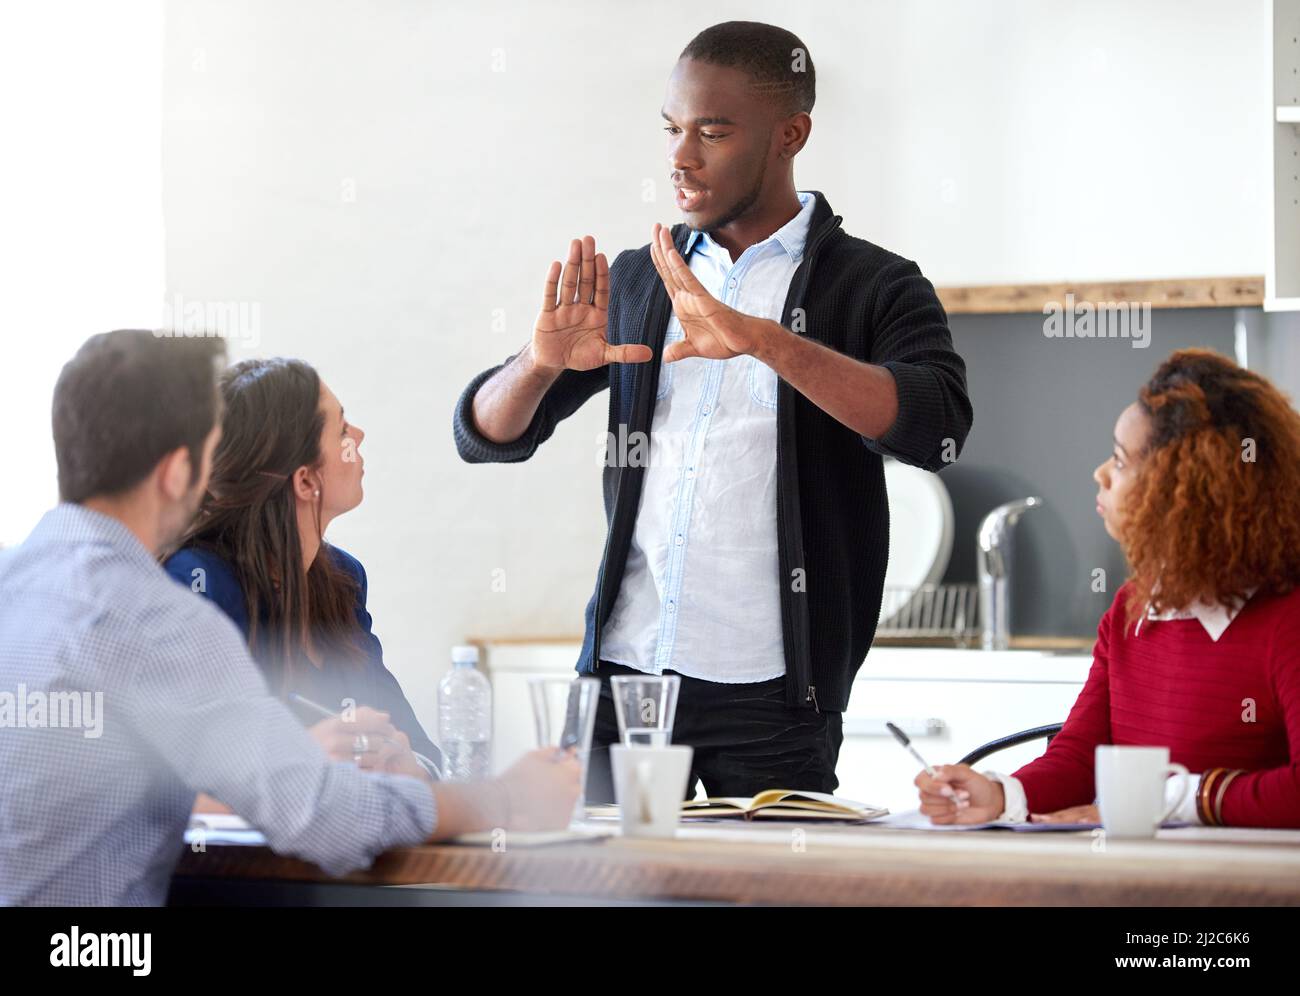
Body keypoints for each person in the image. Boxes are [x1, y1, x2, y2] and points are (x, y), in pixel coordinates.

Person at [453, 21, 972, 801]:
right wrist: (539, 363)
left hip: (772, 694)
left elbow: (938, 427)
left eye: (713, 132)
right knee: (589, 889)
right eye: (672, 130)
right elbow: (486, 435)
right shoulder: (639, 281)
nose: (680, 156)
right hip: (620, 680)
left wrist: (768, 343)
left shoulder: (875, 284)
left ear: (789, 134)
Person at [0, 330, 580, 906]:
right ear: (179, 472)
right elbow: (317, 812)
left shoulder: (17, 583)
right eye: (210, 452)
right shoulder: (157, 616)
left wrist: (402, 763)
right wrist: (506, 799)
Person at [916, 349, 1300, 828]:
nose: (1100, 473)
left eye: (1120, 460)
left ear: (1183, 488)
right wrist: (999, 794)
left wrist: (1177, 798)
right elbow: (1080, 758)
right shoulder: (1131, 611)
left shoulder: (1286, 619)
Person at [164, 357, 440, 776]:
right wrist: (300, 757)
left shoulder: (344, 579)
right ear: (306, 480)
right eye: (343, 429)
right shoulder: (196, 583)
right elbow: (176, 772)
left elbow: (424, 753)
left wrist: (407, 764)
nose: (360, 436)